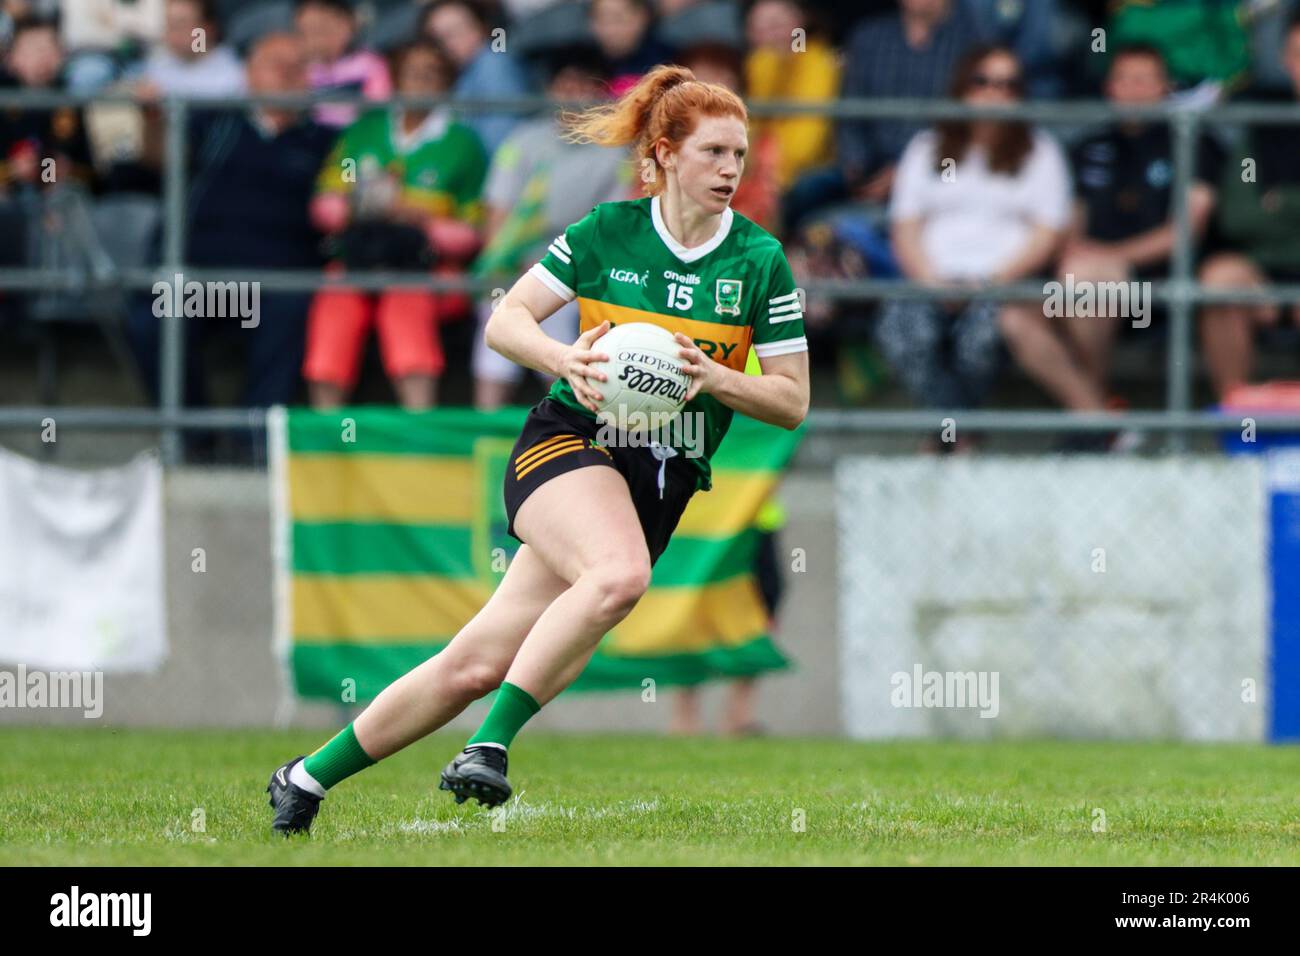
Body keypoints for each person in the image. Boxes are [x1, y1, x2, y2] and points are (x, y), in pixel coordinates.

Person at [266, 64, 810, 833]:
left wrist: (714, 377)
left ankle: (306, 778)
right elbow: (506, 320)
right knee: (618, 577)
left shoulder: (759, 262)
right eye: (714, 152)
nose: (731, 170)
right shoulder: (603, 232)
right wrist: (566, 360)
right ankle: (489, 744)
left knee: (477, 661)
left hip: (662, 477)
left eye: (740, 155)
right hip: (570, 441)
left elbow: (791, 401)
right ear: (663, 153)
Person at [124, 32, 335, 456]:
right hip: (205, 283)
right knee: (152, 319)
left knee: (291, 310)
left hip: (276, 284)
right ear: (249, 75)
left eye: (300, 67)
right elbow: (160, 158)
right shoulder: (214, 122)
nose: (290, 75)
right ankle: (192, 438)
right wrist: (149, 117)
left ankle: (250, 446)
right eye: (278, 64)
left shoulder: (326, 141)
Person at [880, 44, 1070, 428]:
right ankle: (957, 431)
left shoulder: (1041, 151)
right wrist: (933, 284)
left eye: (1008, 84)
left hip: (1004, 284)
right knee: (901, 331)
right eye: (983, 81)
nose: (995, 93)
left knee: (979, 342)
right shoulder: (926, 147)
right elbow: (906, 226)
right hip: (931, 279)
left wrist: (987, 284)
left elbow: (1046, 234)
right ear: (962, 87)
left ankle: (949, 433)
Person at [1034, 44, 1220, 415]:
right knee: (1042, 296)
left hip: (1161, 294)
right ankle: (1098, 412)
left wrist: (1108, 257)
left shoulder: (1195, 143)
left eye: (1144, 79)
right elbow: (1070, 222)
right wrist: (1075, 250)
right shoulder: (1088, 148)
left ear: (1165, 88)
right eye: (1124, 79)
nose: (1133, 89)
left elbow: (1186, 231)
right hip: (1081, 283)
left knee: (1085, 279)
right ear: (1109, 87)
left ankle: (1093, 416)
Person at [303, 38, 486, 410]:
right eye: (410, 73)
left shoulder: (464, 144)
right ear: (396, 78)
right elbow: (326, 207)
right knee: (333, 304)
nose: (419, 81)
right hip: (359, 259)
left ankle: (416, 431)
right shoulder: (363, 130)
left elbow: (472, 233)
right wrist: (366, 203)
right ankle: (326, 435)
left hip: (428, 267)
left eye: (431, 74)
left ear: (447, 83)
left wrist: (411, 211)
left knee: (406, 304)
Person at [470, 45, 628, 410]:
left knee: (554, 311)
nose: (572, 94)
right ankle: (484, 423)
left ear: (601, 95)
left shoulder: (618, 152)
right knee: (498, 312)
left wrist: (557, 270)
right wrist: (504, 264)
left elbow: (612, 225)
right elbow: (497, 215)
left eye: (583, 86)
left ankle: (561, 420)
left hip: (577, 272)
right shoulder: (522, 141)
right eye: (564, 84)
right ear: (550, 89)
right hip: (513, 265)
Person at [1198, 15, 1300, 402]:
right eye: (1299, 55)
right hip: (1264, 274)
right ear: (1285, 60)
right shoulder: (1260, 129)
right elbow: (1239, 217)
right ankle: (1240, 420)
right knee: (1220, 278)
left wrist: (1282, 201)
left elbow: (1265, 211)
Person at [422, 0, 530, 154]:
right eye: (437, 40)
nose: (446, 45)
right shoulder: (463, 71)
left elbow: (501, 136)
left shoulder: (493, 63)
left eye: (453, 33)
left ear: (481, 28)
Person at [295, 0, 391, 129]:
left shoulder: (369, 65)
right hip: (311, 137)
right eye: (304, 32)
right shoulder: (300, 69)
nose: (311, 39)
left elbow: (377, 109)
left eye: (319, 29)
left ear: (347, 26)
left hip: (355, 136)